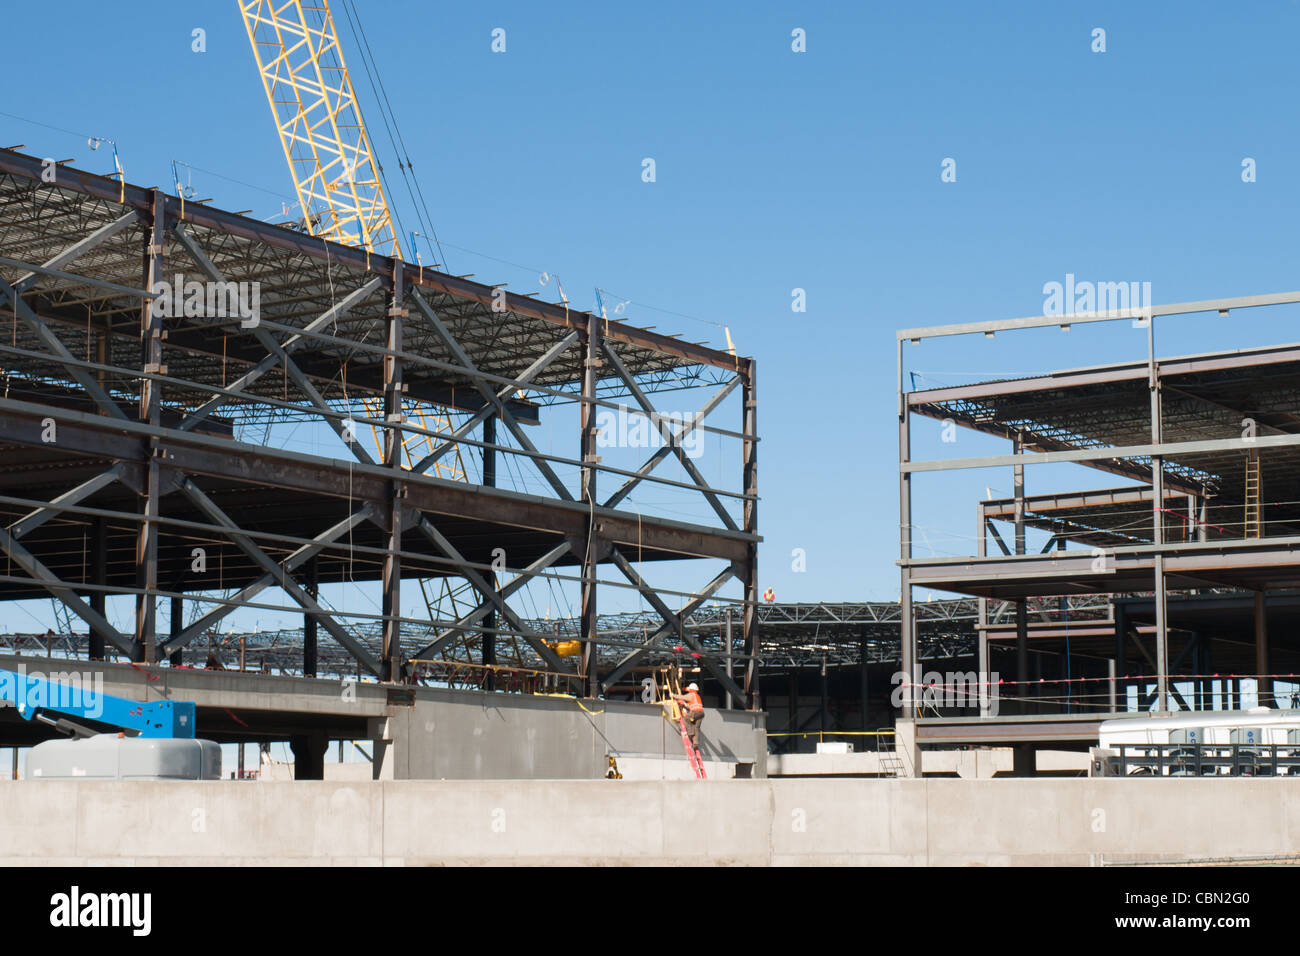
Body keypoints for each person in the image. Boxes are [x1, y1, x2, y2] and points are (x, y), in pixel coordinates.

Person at [672, 682, 705, 754]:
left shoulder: (691, 695)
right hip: (701, 714)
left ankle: (690, 733)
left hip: (695, 713)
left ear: (691, 689)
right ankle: (695, 743)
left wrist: (673, 695)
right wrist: (684, 704)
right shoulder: (697, 696)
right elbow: (691, 706)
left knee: (686, 719)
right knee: (696, 727)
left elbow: (682, 697)